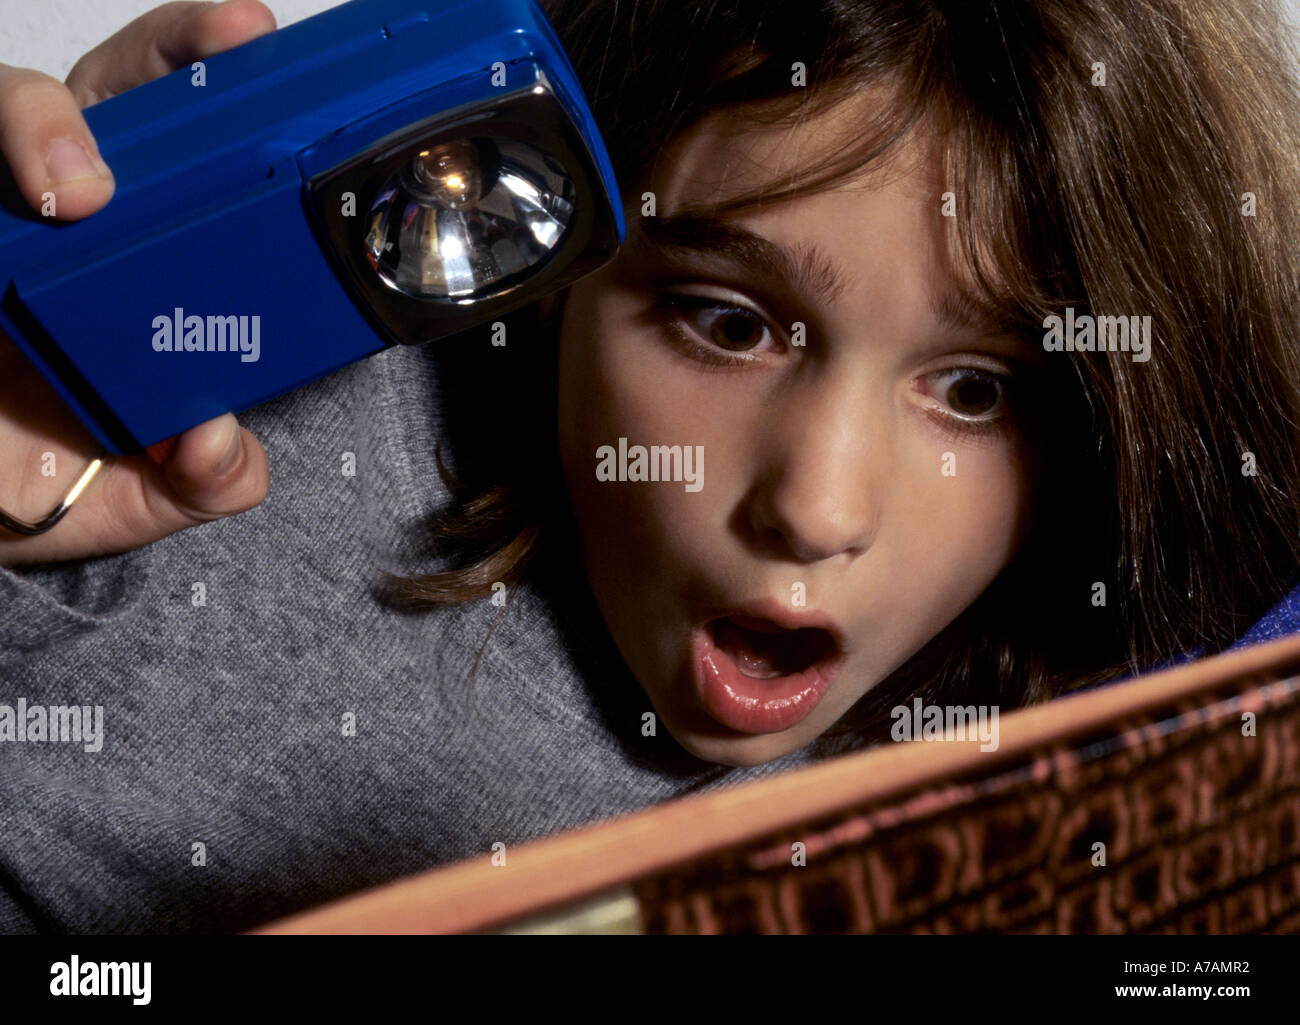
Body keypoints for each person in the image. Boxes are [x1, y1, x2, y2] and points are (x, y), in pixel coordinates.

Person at [1, 0, 1297, 932]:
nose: (816, 509)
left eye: (975, 391)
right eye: (728, 325)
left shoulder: (1149, 734)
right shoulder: (209, 465)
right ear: (561, 275)